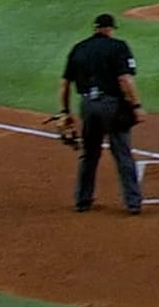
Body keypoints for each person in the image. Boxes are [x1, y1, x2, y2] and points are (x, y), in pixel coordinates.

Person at [58, 13, 146, 214]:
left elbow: (64, 84)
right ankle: (133, 203)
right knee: (122, 153)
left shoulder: (78, 48)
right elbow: (125, 80)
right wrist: (136, 105)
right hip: (111, 106)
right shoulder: (118, 46)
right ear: (109, 29)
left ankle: (82, 200)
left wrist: (65, 111)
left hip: (87, 105)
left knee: (89, 154)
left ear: (95, 28)